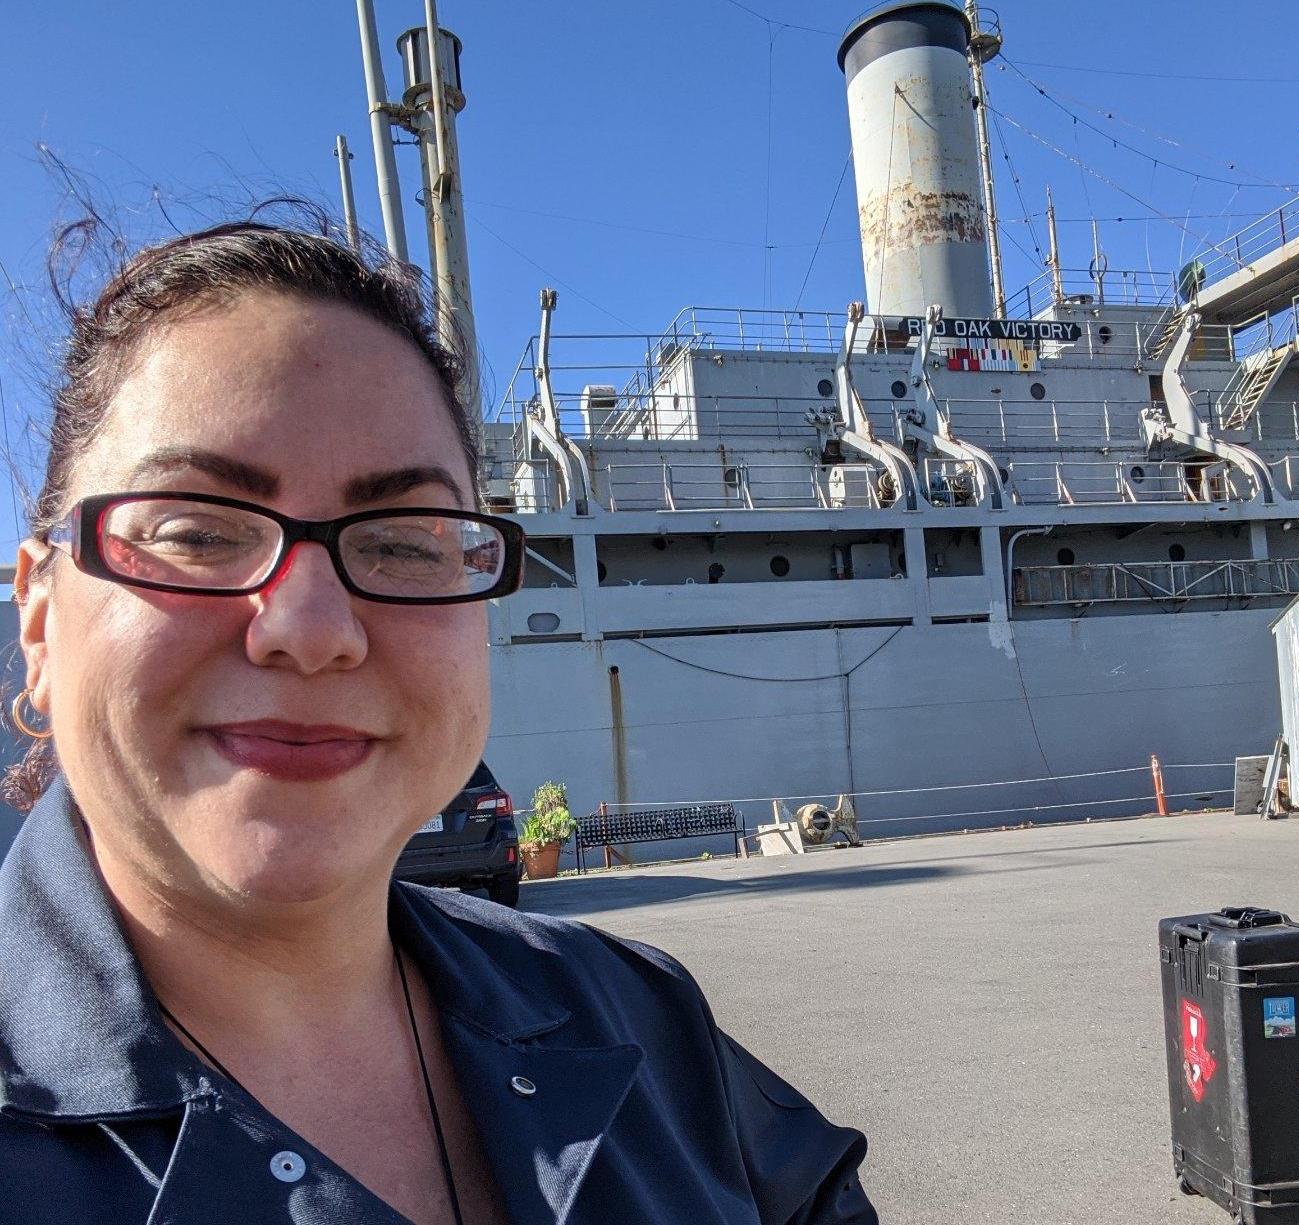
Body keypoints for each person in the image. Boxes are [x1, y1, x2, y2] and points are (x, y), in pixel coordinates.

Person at [0, 219, 877, 1224]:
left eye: (406, 544)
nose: (313, 629)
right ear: (37, 618)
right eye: (195, 529)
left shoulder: (638, 1014)